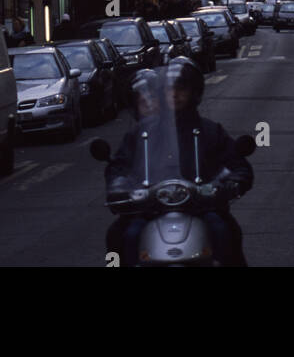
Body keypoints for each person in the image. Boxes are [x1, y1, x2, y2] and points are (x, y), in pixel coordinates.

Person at [104, 60, 253, 267]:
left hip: (201, 208)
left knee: (223, 230)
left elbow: (237, 164)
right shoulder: (142, 131)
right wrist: (119, 185)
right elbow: (119, 165)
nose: (174, 94)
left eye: (181, 88)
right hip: (149, 209)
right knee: (125, 235)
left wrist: (232, 182)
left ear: (194, 92)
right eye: (169, 89)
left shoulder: (210, 131)